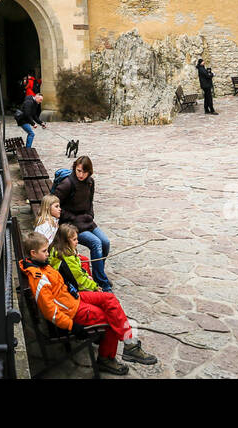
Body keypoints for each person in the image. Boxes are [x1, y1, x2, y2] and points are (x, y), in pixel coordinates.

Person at [19, 231, 157, 375]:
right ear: (33, 253)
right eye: (44, 251)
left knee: (109, 298)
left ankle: (130, 345)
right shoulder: (38, 277)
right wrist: (71, 326)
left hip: (73, 298)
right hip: (72, 310)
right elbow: (50, 311)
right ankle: (107, 358)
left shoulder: (40, 265)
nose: (48, 253)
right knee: (111, 319)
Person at [54, 155, 112, 291]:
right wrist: (71, 217)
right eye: (78, 171)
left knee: (105, 242)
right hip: (70, 225)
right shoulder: (67, 183)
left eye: (84, 172)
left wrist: (90, 214)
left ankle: (98, 274)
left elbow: (90, 202)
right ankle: (102, 282)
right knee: (95, 243)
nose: (81, 174)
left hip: (86, 220)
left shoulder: (90, 182)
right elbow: (54, 204)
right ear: (75, 168)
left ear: (89, 172)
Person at [49, 223, 98, 294]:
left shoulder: (59, 248)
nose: (77, 242)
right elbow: (78, 280)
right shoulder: (67, 256)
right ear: (65, 242)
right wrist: (95, 287)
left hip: (70, 283)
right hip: (70, 289)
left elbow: (78, 269)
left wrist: (87, 276)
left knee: (84, 261)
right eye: (74, 239)